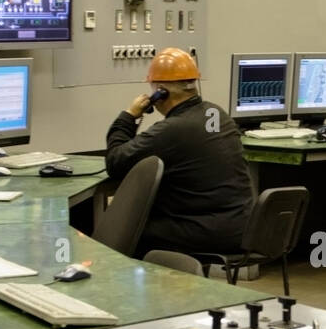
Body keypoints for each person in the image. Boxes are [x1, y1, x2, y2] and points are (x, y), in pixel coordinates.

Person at [105, 47, 254, 258]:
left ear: (160, 92)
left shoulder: (173, 129)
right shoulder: (216, 113)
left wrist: (129, 116)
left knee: (125, 231)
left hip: (209, 231)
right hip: (242, 225)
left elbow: (115, 162)